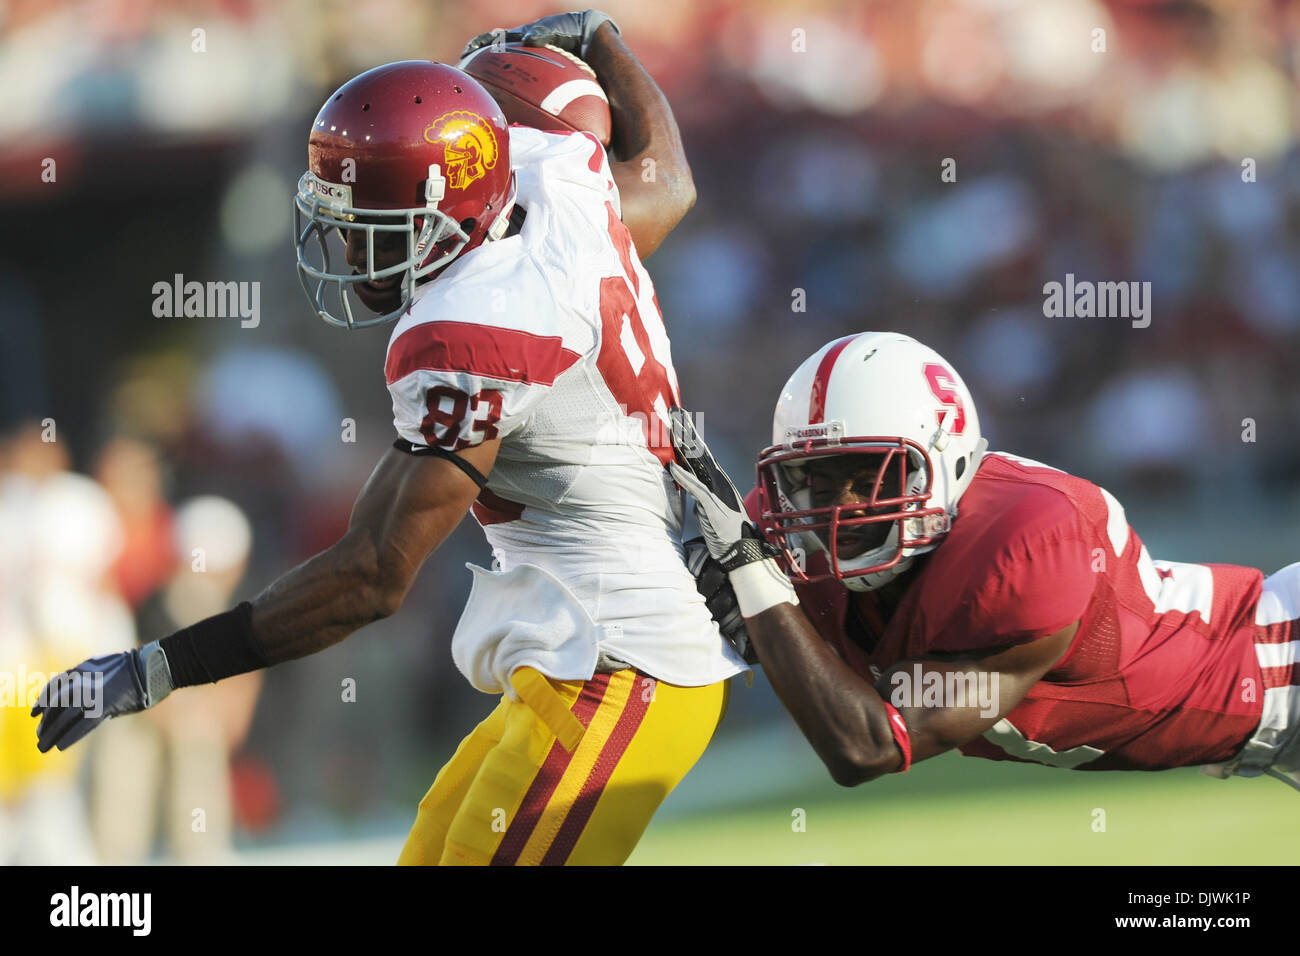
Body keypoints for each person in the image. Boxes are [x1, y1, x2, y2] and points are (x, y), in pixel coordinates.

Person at [33, 11, 746, 866]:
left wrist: (160, 666)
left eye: (372, 223)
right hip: (571, 662)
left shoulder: (477, 328)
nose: (346, 248)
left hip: (623, 663)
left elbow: (373, 574)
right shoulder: (564, 190)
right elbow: (668, 180)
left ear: (448, 214)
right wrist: (601, 40)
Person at [672, 331, 1300, 792]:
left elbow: (864, 749)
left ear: (946, 461)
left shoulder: (1029, 542)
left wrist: (762, 596)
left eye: (870, 475)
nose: (845, 508)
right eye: (817, 480)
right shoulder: (777, 533)